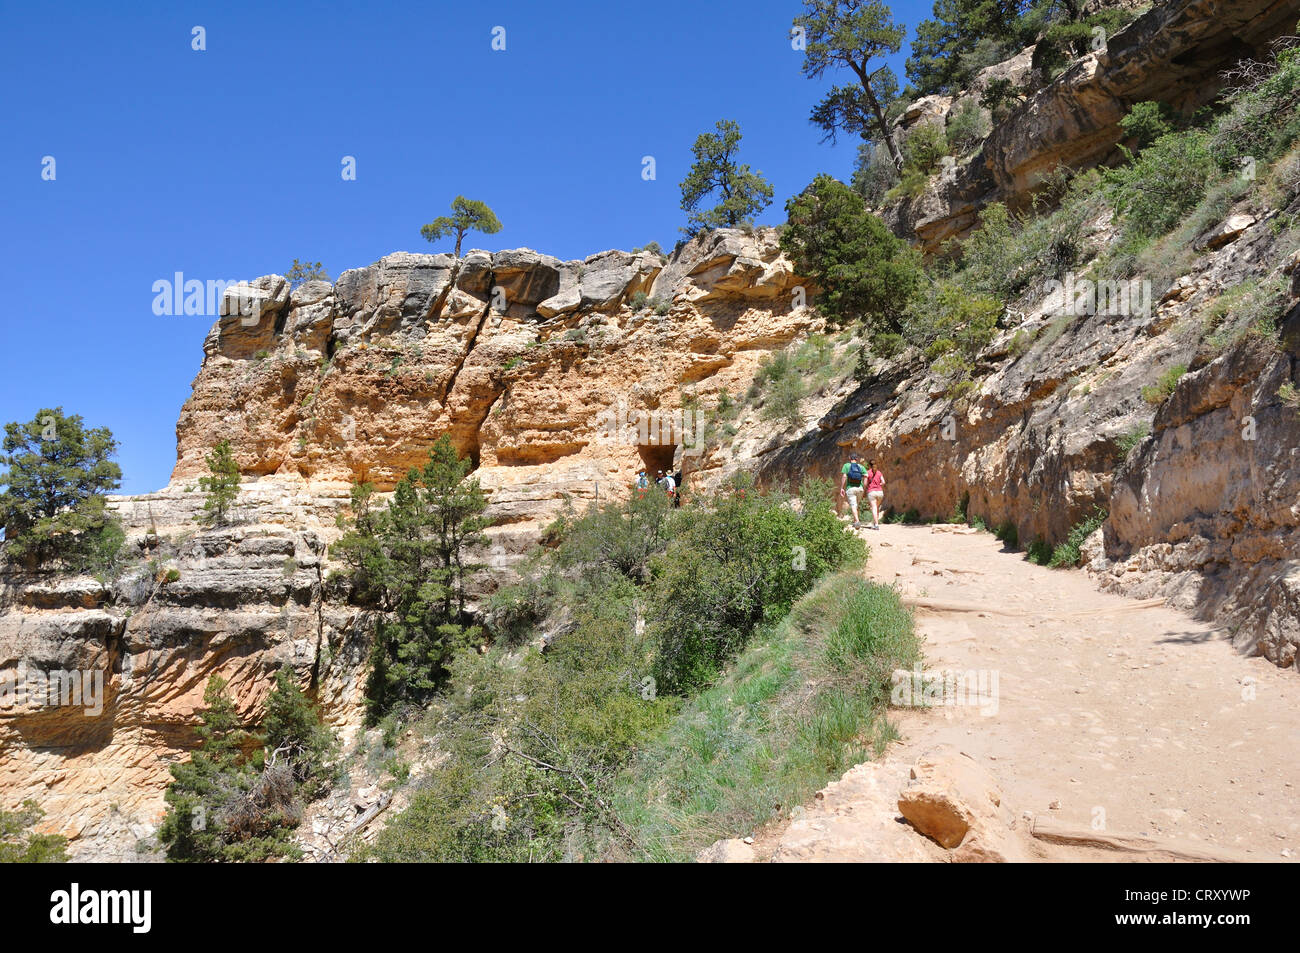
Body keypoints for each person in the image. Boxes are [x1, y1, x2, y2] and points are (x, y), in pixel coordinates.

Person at [840, 452, 866, 528]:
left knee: (853, 506)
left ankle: (857, 521)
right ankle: (855, 521)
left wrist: (842, 487)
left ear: (849, 458)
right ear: (857, 459)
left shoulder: (846, 465)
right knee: (856, 505)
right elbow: (865, 476)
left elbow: (844, 476)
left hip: (850, 488)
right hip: (860, 488)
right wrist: (864, 487)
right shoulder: (861, 467)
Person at [864, 460, 885, 530]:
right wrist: (879, 484)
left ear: (869, 465)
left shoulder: (867, 473)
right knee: (876, 507)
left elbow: (865, 483)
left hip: (872, 492)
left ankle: (876, 524)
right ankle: (875, 523)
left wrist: (867, 487)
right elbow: (883, 482)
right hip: (880, 492)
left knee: (874, 507)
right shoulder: (879, 472)